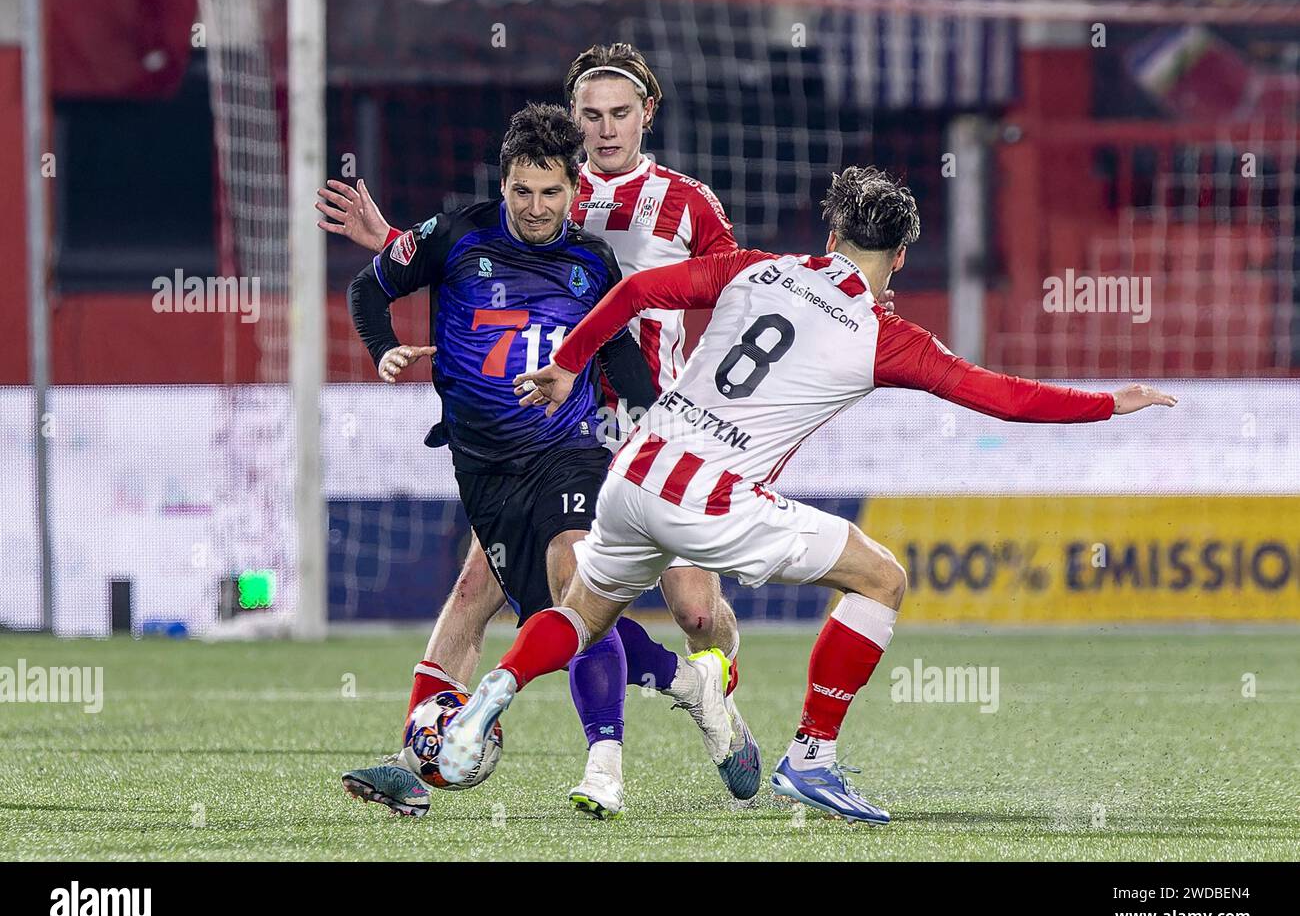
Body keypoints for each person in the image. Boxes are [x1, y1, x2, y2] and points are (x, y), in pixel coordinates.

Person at [437, 165, 1178, 823]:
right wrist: (1108, 403)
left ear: (829, 233)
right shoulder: (885, 335)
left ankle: (493, 693)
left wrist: (569, 361)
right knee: (882, 578)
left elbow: (633, 290)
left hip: (634, 472)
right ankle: (811, 757)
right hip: (713, 500)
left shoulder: (753, 268)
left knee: (582, 616)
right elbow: (1003, 398)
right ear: (900, 258)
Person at [319, 44, 771, 817]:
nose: (603, 129)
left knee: (694, 611)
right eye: (589, 114)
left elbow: (737, 293)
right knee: (511, 592)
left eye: (618, 114)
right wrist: (398, 246)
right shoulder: (545, 181)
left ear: (646, 116)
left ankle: (710, 697)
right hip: (558, 430)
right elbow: (472, 261)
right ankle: (457, 760)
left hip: (647, 426)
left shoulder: (683, 204)